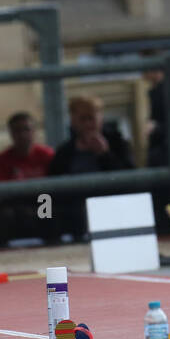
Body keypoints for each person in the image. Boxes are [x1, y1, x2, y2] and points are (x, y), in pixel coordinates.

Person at [49, 95, 133, 239]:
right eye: (83, 119)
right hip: (76, 217)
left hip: (114, 209)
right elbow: (54, 187)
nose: (88, 124)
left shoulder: (117, 142)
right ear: (73, 121)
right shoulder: (64, 152)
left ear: (100, 118)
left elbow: (130, 179)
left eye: (91, 118)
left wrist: (105, 154)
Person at [0, 112, 55, 181]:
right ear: (11, 133)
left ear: (34, 131)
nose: (22, 135)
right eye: (17, 130)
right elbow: (1, 188)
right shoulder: (2, 160)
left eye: (27, 129)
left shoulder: (48, 155)